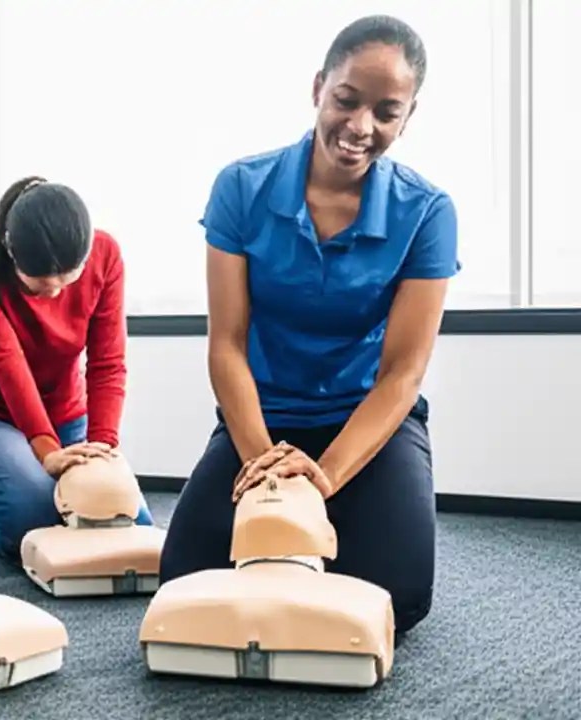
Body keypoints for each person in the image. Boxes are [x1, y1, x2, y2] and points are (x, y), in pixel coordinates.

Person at [157, 15, 458, 635]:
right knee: (184, 579)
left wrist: (319, 479)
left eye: (386, 111)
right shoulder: (240, 188)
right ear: (319, 86)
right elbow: (227, 346)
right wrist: (266, 468)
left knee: (398, 597)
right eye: (347, 100)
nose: (361, 127)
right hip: (263, 419)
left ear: (408, 117)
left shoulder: (428, 211)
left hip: (367, 419)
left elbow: (402, 374)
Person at [0, 177, 155, 562]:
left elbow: (107, 363)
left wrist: (103, 453)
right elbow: (6, 360)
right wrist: (46, 450)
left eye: (67, 280)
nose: (55, 293)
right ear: (10, 251)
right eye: (40, 287)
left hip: (67, 418)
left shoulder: (105, 255)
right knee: (39, 523)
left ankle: (26, 481)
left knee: (124, 524)